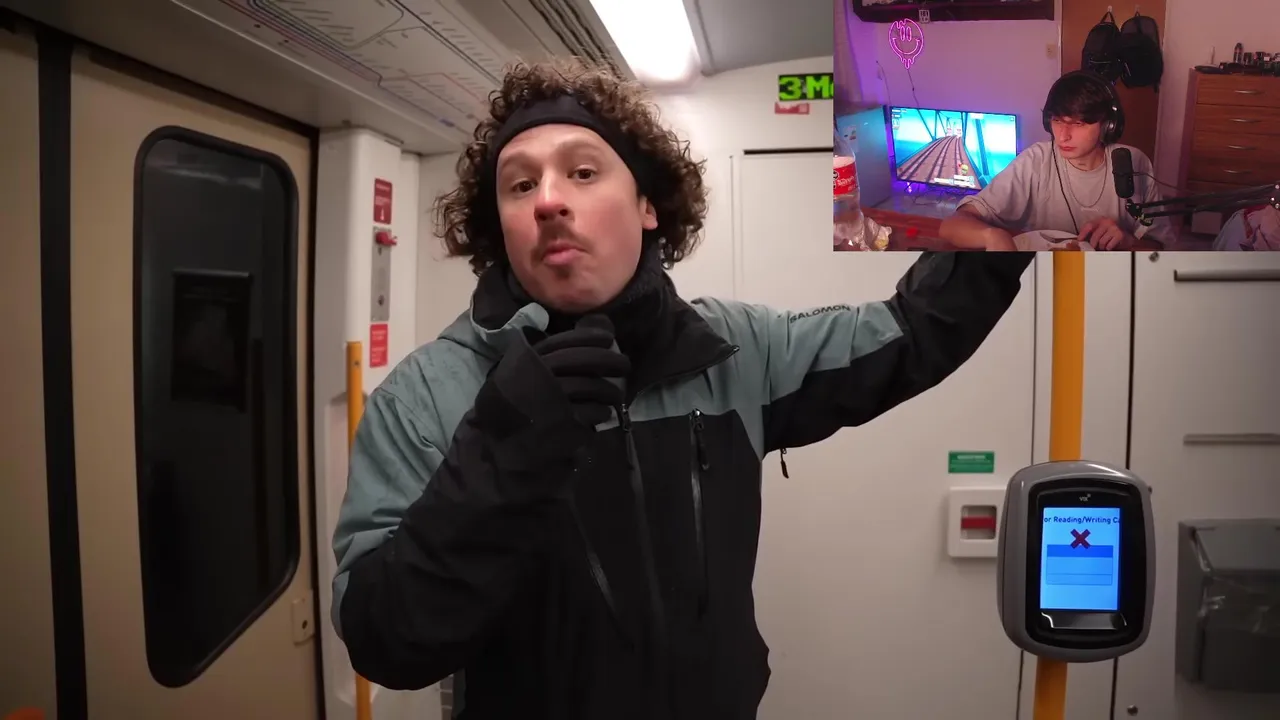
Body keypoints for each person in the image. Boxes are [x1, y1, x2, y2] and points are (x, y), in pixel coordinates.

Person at [330, 58, 1035, 718]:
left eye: (582, 172)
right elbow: (385, 637)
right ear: (502, 231)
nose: (547, 200)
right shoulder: (425, 398)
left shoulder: (734, 349)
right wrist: (504, 448)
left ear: (647, 205)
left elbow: (909, 333)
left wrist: (1012, 218)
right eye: (520, 186)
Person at [939, 71, 1177, 251]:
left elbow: (1160, 249)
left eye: (1078, 123)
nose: (1062, 136)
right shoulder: (1036, 161)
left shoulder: (1133, 163)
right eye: (1057, 120)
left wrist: (1128, 242)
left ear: (1109, 125)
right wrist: (992, 236)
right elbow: (952, 225)